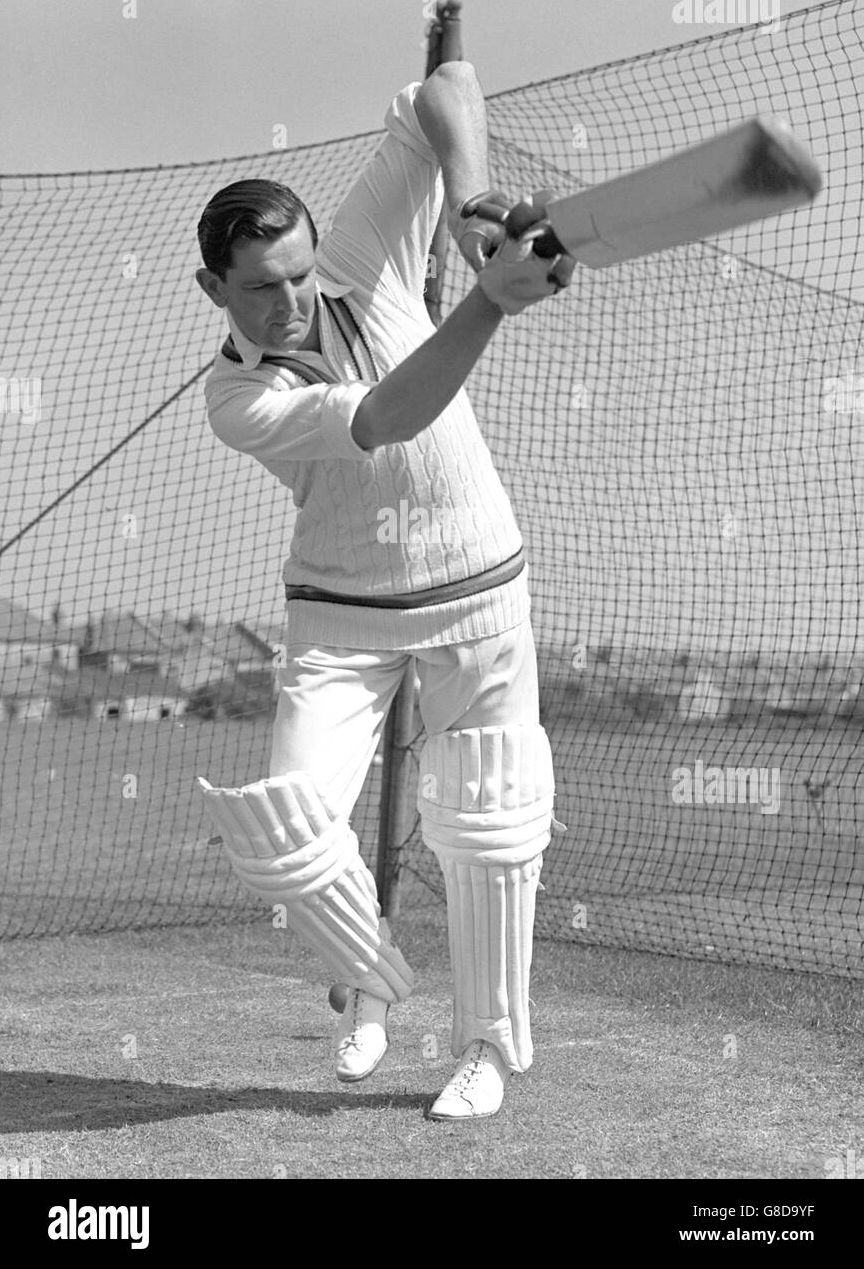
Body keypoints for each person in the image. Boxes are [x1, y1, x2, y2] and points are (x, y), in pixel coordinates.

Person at [194, 59, 573, 1120]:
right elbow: (384, 419)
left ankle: (486, 1050)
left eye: (298, 274)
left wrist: (467, 204)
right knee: (287, 833)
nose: (288, 299)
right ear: (213, 289)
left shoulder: (361, 259)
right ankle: (368, 984)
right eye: (258, 284)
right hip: (338, 613)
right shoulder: (238, 396)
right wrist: (491, 302)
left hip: (478, 587)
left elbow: (442, 87)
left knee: (492, 826)